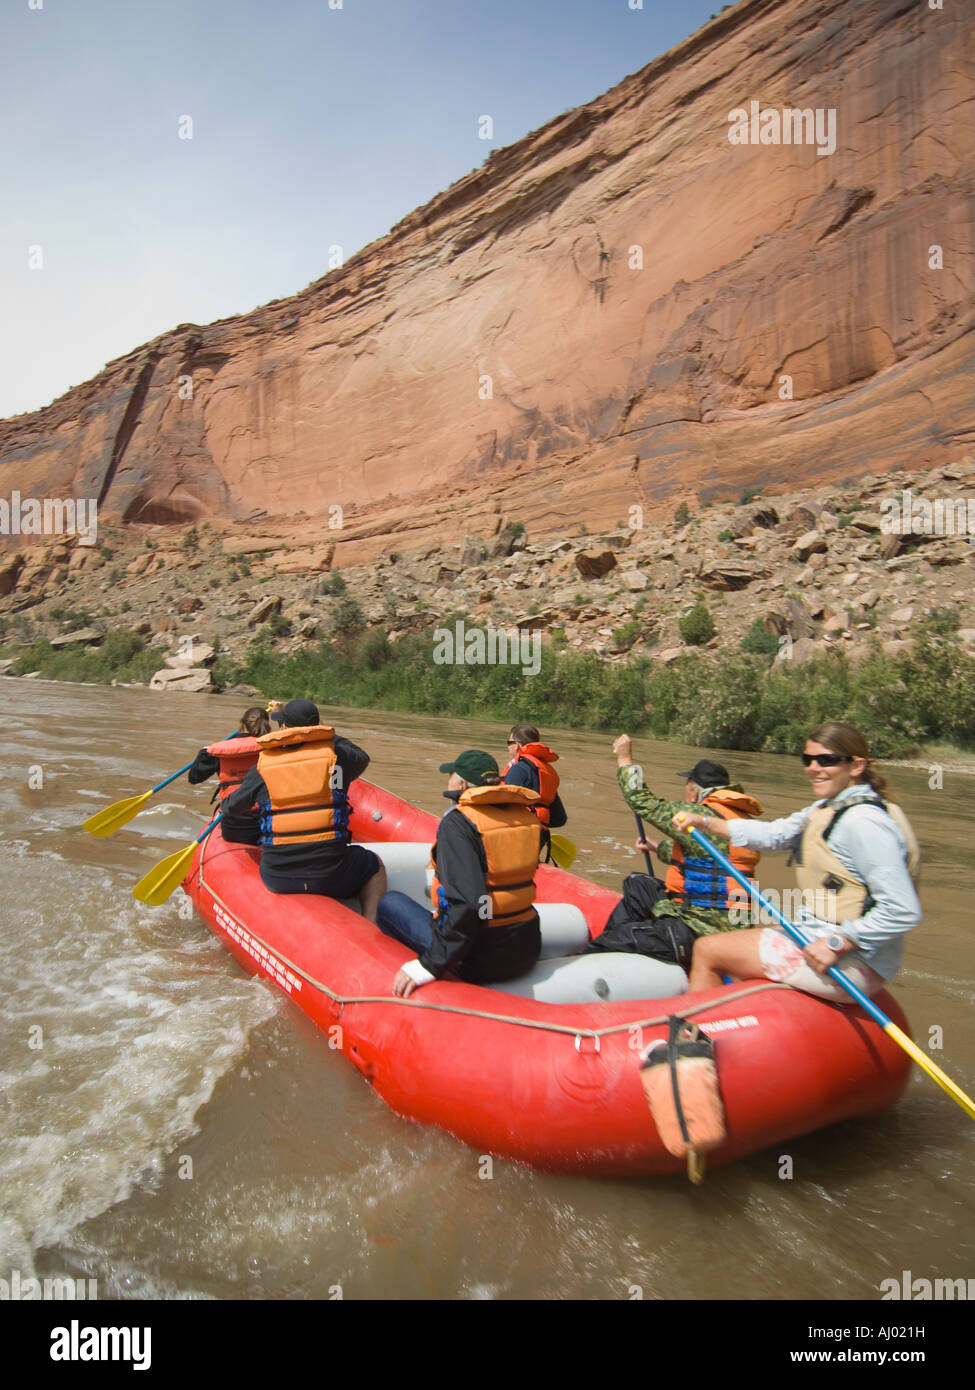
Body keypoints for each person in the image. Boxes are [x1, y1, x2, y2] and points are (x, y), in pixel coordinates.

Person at [672, 722, 921, 1001]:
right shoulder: (829, 808)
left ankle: (695, 1038)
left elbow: (903, 910)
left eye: (826, 760)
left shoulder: (865, 823)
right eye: (808, 759)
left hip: (852, 961)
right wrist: (704, 821)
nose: (814, 768)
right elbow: (773, 834)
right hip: (830, 939)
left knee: (708, 950)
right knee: (747, 939)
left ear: (856, 766)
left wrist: (837, 943)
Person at [379, 750, 543, 997]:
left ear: (462, 783)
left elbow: (469, 903)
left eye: (450, 777)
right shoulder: (525, 817)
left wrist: (430, 964)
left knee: (390, 903)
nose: (448, 782)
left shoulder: (458, 823)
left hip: (478, 958)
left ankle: (398, 974)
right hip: (528, 948)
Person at [222, 698, 387, 923]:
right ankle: (371, 923)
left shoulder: (264, 766)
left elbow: (231, 808)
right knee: (374, 864)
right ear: (316, 728)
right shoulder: (337, 759)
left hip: (278, 876)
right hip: (331, 873)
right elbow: (361, 756)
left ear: (284, 729)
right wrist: (321, 733)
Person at [611, 735, 763, 940]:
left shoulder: (699, 816)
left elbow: (641, 801)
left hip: (699, 923)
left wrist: (625, 760)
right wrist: (658, 847)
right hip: (735, 928)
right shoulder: (739, 821)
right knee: (641, 884)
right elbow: (707, 858)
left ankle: (616, 940)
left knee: (634, 891)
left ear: (694, 790)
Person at [187, 706, 272, 845]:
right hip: (268, 822)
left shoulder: (217, 751)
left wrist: (203, 754)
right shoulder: (275, 749)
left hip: (234, 825)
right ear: (268, 727)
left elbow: (194, 778)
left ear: (242, 725)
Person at [501, 725, 567, 829]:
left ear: (517, 745)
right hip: (539, 836)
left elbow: (505, 807)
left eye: (509, 743)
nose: (508, 747)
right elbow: (559, 819)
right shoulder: (546, 772)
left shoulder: (518, 769)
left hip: (518, 834)